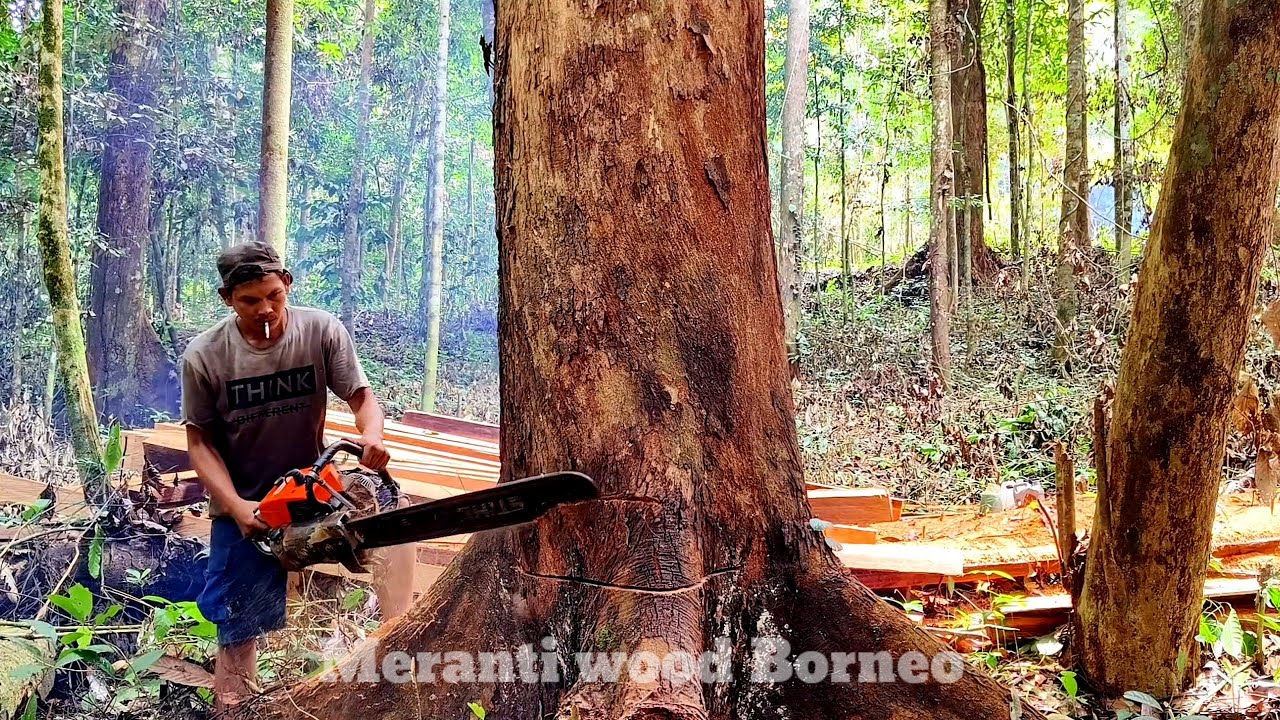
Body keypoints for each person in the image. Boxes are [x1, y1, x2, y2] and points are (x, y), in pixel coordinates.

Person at [180, 240, 414, 709]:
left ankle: (401, 640)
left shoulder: (321, 330)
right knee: (238, 628)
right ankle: (235, 711)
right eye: (250, 301)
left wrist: (372, 435)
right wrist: (236, 506)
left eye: (274, 295)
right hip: (247, 500)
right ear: (227, 298)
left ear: (286, 284)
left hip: (313, 483)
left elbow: (362, 398)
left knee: (394, 517)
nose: (265, 308)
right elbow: (200, 442)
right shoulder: (205, 356)